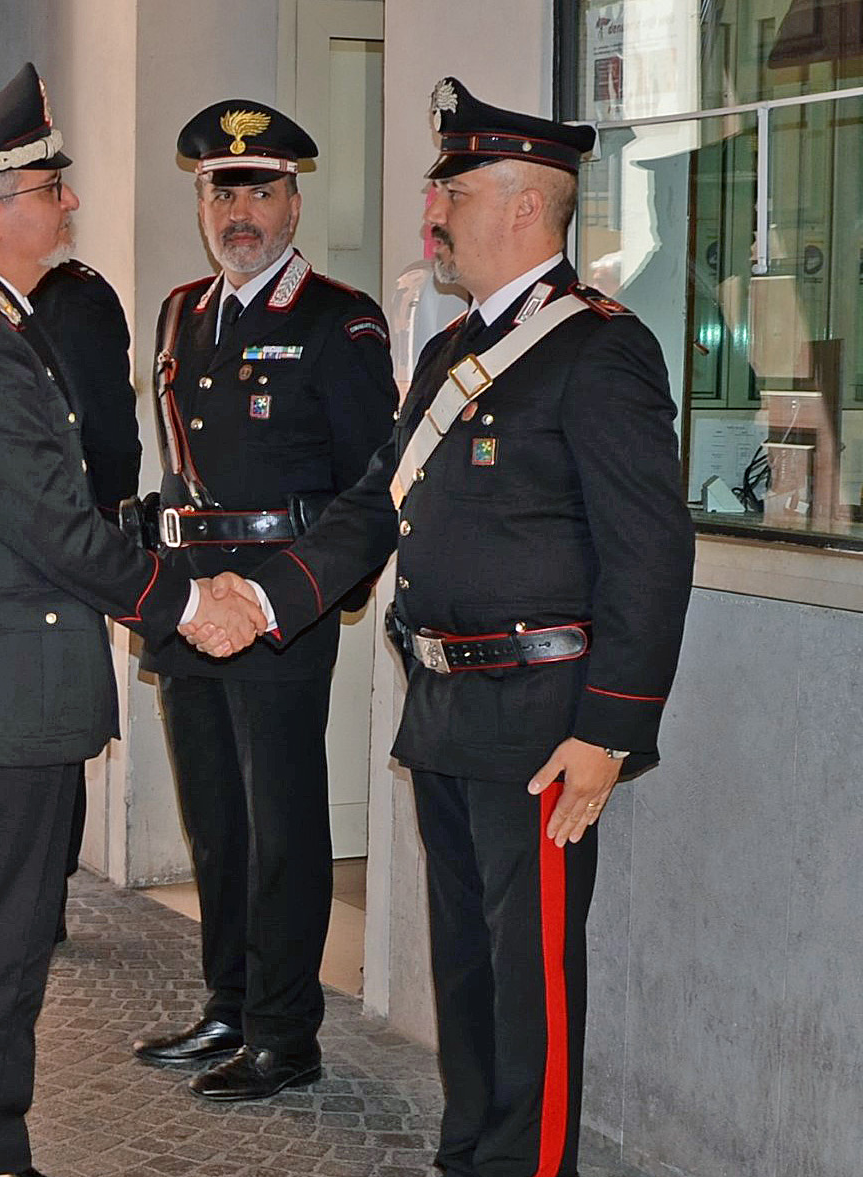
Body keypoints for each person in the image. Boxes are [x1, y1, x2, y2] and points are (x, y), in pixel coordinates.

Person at [195, 77, 694, 1177]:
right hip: (449, 707)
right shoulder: (450, 349)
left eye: (452, 192)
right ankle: (470, 1156)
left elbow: (652, 553)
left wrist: (609, 731)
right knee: (466, 972)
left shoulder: (598, 349)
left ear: (524, 204)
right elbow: (372, 505)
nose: (433, 211)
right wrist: (263, 599)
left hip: (546, 723)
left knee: (530, 983)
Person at [0, 63, 244, 1177]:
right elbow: (51, 526)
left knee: (7, 954)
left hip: (8, 695)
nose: (69, 202)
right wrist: (188, 602)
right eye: (50, 188)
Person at [127, 100, 396, 1102]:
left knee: (281, 823)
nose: (238, 212)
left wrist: (310, 593)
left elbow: (374, 483)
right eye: (220, 192)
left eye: (259, 191)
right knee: (215, 817)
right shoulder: (180, 313)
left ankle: (287, 1031)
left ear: (293, 201)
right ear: (201, 203)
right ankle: (230, 1004)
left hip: (278, 609)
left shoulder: (338, 319)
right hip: (189, 602)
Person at [28, 257, 142, 943]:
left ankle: (46, 899)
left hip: (59, 558)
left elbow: (109, 434)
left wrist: (101, 543)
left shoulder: (73, 300)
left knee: (50, 729)